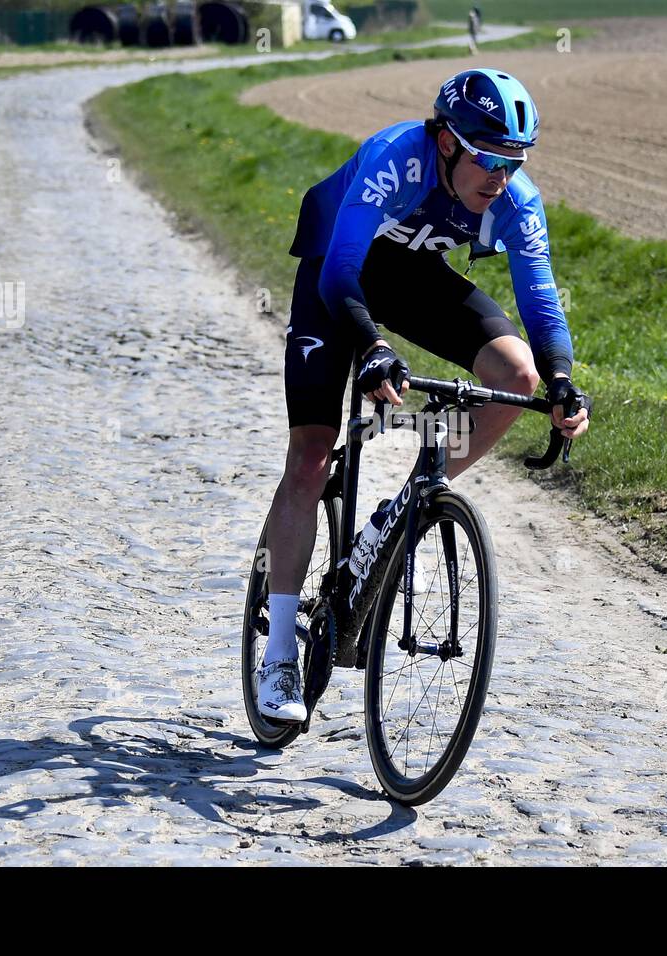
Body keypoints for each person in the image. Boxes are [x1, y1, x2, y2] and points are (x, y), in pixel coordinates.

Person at [257, 68, 591, 722]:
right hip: (338, 277)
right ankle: (277, 659)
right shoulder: (396, 158)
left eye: (514, 161)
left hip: (412, 278)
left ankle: (405, 506)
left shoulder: (515, 201)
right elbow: (342, 272)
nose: (501, 176)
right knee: (311, 455)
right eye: (489, 159)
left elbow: (541, 302)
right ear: (447, 143)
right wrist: (373, 347)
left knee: (518, 377)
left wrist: (560, 381)